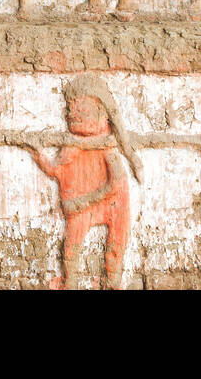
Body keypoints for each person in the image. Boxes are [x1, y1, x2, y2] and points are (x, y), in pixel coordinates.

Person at [25, 76, 142, 289]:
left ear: (103, 113)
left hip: (109, 203)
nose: (73, 114)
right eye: (71, 109)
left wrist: (83, 202)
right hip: (82, 206)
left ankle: (112, 281)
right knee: (71, 245)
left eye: (82, 109)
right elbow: (55, 169)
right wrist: (37, 154)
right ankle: (69, 282)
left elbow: (116, 184)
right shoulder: (72, 144)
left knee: (116, 245)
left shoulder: (108, 145)